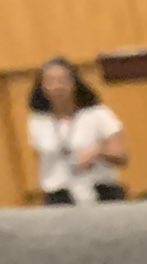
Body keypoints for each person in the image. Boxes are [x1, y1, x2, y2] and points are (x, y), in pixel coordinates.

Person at [27, 57, 126, 205]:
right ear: (41, 87)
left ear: (74, 83)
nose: (57, 86)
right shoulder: (38, 121)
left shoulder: (97, 114)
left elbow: (122, 156)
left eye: (62, 80)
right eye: (50, 81)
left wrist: (98, 152)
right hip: (59, 195)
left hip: (100, 190)